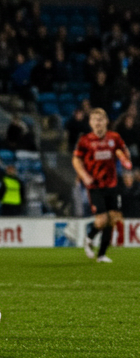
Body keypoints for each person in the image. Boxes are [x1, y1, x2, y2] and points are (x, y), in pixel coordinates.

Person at [72, 108, 131, 263]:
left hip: (112, 184)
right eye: (95, 120)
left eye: (101, 119)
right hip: (95, 186)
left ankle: (102, 255)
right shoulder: (85, 140)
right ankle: (89, 238)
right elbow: (76, 160)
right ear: (91, 123)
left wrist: (125, 158)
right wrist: (84, 176)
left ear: (106, 121)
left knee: (112, 219)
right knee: (101, 220)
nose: (98, 122)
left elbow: (124, 152)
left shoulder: (114, 137)